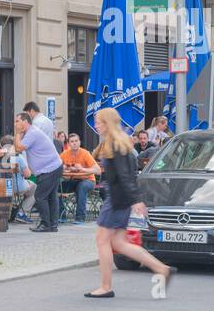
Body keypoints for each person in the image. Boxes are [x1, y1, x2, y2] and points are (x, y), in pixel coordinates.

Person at [85, 106, 175, 299]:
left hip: (117, 200)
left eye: (99, 122)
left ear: (107, 123)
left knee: (102, 241)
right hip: (121, 199)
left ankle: (105, 286)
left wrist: (136, 201)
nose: (96, 125)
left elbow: (126, 177)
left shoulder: (116, 146)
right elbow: (126, 175)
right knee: (119, 242)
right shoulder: (117, 144)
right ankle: (161, 268)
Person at [14, 112, 63, 232]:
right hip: (53, 166)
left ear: (25, 122)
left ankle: (46, 224)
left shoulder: (32, 133)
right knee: (51, 196)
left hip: (50, 168)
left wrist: (17, 133)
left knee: (40, 196)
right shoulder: (31, 132)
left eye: (17, 121)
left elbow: (18, 148)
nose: (15, 124)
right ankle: (52, 225)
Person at [60, 132, 101, 224]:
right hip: (72, 180)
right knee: (56, 186)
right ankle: (61, 216)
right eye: (72, 141)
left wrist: (81, 169)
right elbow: (56, 167)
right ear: (68, 144)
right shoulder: (64, 154)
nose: (74, 143)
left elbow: (98, 170)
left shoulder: (85, 153)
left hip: (88, 181)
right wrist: (62, 168)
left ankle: (80, 218)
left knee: (81, 187)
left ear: (79, 142)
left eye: (76, 141)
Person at [0, 134, 36, 223]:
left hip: (1, 188)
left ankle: (11, 210)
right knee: (35, 188)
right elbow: (27, 175)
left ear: (1, 145)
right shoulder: (18, 157)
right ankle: (21, 213)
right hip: (17, 187)